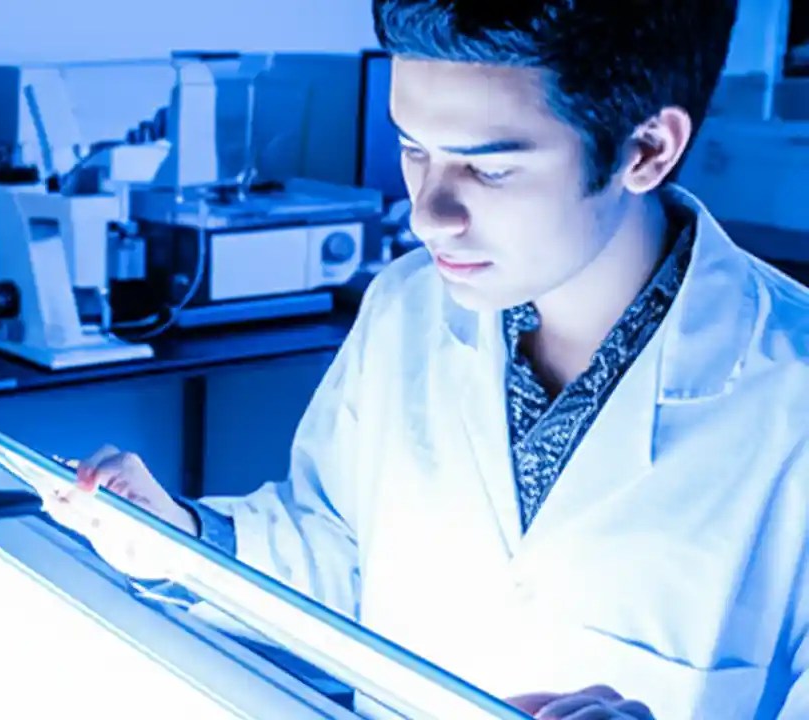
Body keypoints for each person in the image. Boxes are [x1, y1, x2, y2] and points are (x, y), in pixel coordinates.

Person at [43, 2, 809, 718]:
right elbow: (337, 553)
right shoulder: (409, 305)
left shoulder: (789, 398)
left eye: (489, 168)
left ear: (645, 150)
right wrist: (178, 535)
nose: (426, 213)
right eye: (414, 150)